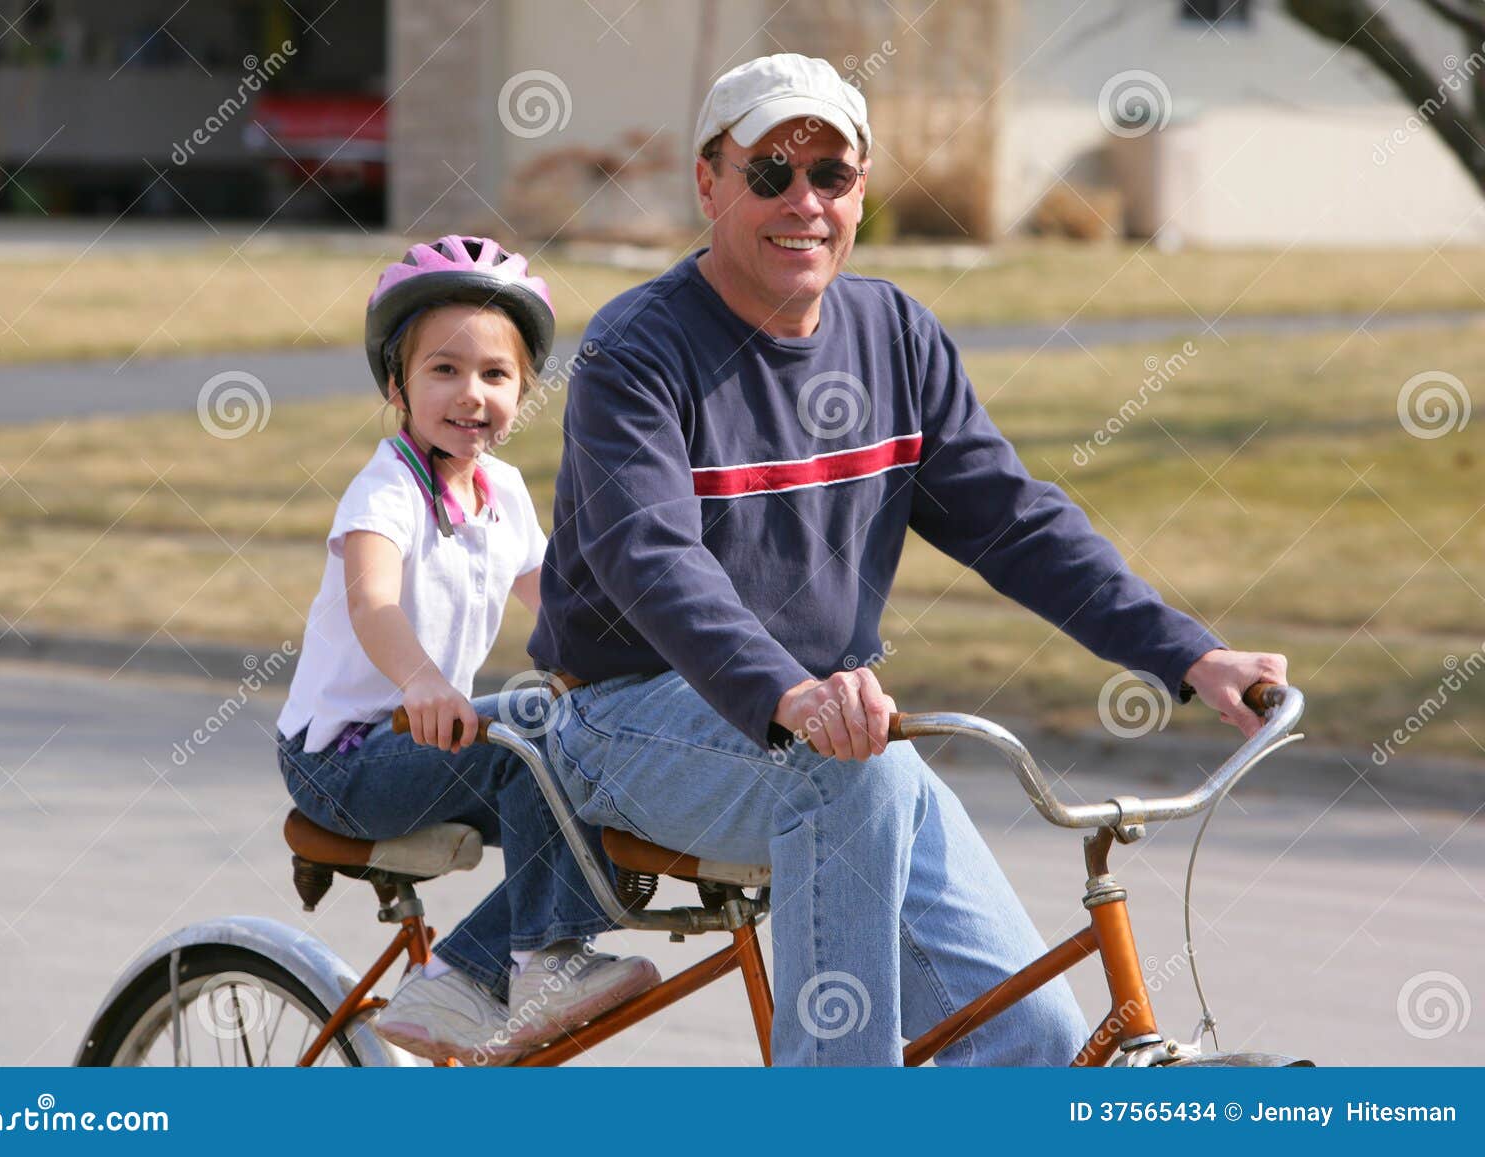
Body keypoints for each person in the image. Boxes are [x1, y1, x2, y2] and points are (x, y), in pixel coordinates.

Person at [528, 54, 1289, 1066]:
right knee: (856, 777)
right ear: (708, 183)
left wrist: (1188, 654)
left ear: (861, 188)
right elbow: (652, 559)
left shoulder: (892, 333)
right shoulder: (639, 350)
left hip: (839, 735)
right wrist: (788, 695)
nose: (802, 201)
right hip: (630, 717)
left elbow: (1014, 522)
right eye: (768, 174)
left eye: (829, 176)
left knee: (1034, 1044)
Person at [274, 236, 657, 1065]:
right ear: (395, 384)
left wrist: (666, 659)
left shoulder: (506, 490)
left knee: (593, 766)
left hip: (431, 741)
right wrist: (418, 678)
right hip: (345, 758)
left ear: (524, 392)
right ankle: (538, 963)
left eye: (495, 374)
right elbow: (372, 599)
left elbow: (567, 607)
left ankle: (457, 977)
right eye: (443, 370)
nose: (470, 393)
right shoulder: (388, 487)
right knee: (527, 741)